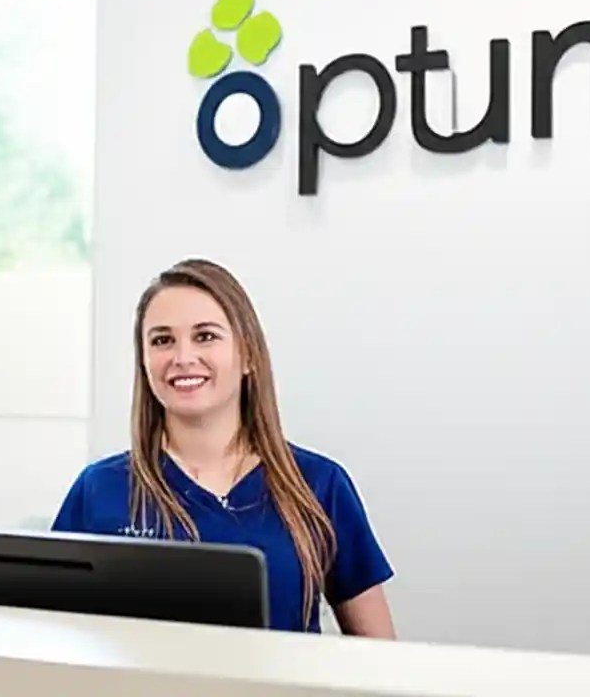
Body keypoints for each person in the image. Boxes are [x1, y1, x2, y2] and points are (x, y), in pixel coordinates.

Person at [52, 258, 395, 637]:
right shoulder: (100, 489)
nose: (182, 358)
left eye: (206, 336)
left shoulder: (319, 484)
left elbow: (379, 655)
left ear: (247, 354)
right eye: (162, 340)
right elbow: (50, 636)